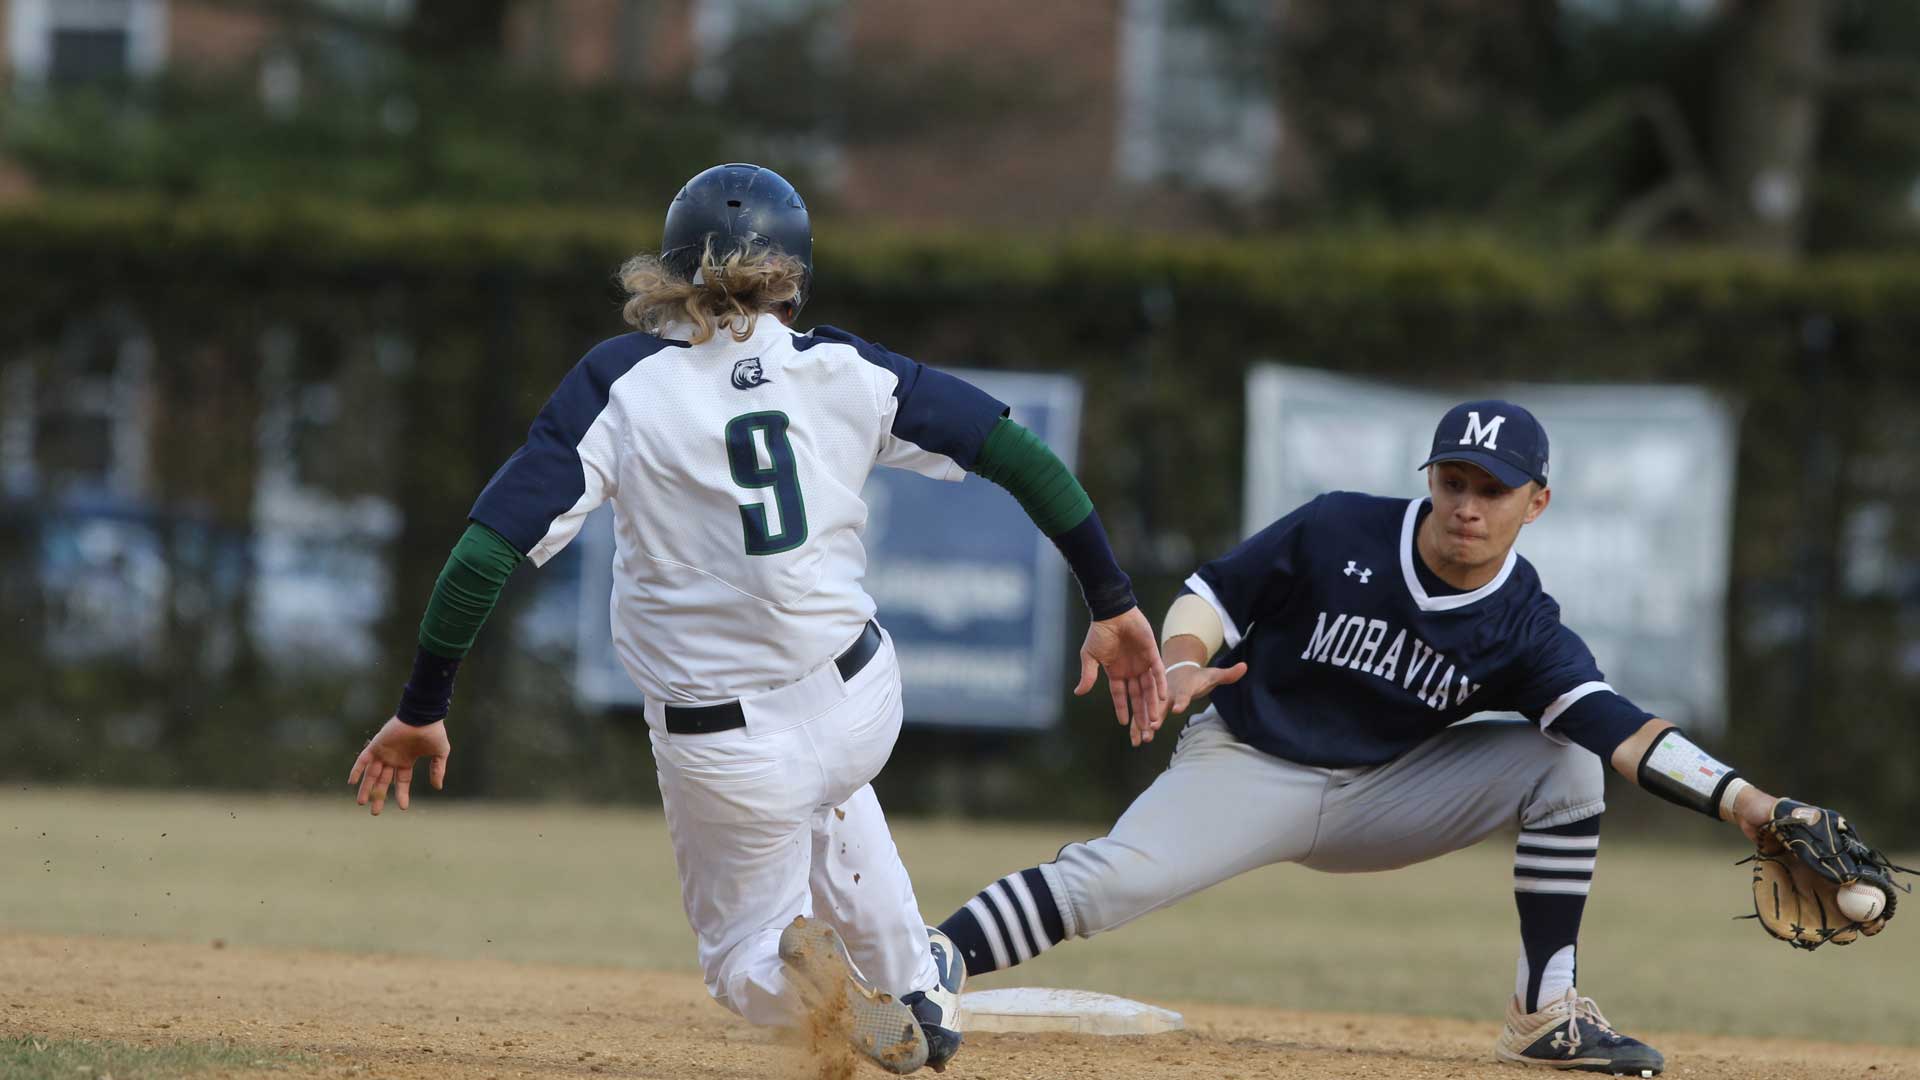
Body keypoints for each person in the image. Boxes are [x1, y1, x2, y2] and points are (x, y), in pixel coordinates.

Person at [344, 162, 1167, 1075]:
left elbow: (483, 556)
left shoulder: (623, 383)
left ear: (669, 267)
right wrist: (1114, 601)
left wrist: (423, 704)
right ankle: (916, 989)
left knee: (742, 957)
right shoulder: (842, 367)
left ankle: (818, 988)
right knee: (834, 798)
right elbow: (1016, 451)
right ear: (795, 270)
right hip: (860, 701)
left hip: (725, 746)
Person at [934, 399, 1833, 1077]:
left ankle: (1544, 1014)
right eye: (1453, 482)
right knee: (1114, 882)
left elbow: (1623, 730)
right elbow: (1214, 594)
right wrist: (1179, 659)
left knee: (1565, 762)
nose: (1467, 506)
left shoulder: (1524, 625)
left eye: (1492, 490)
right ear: (1430, 480)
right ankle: (930, 960)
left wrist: (1757, 807)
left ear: (1538, 501)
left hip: (1385, 794)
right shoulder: (1340, 529)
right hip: (1248, 765)